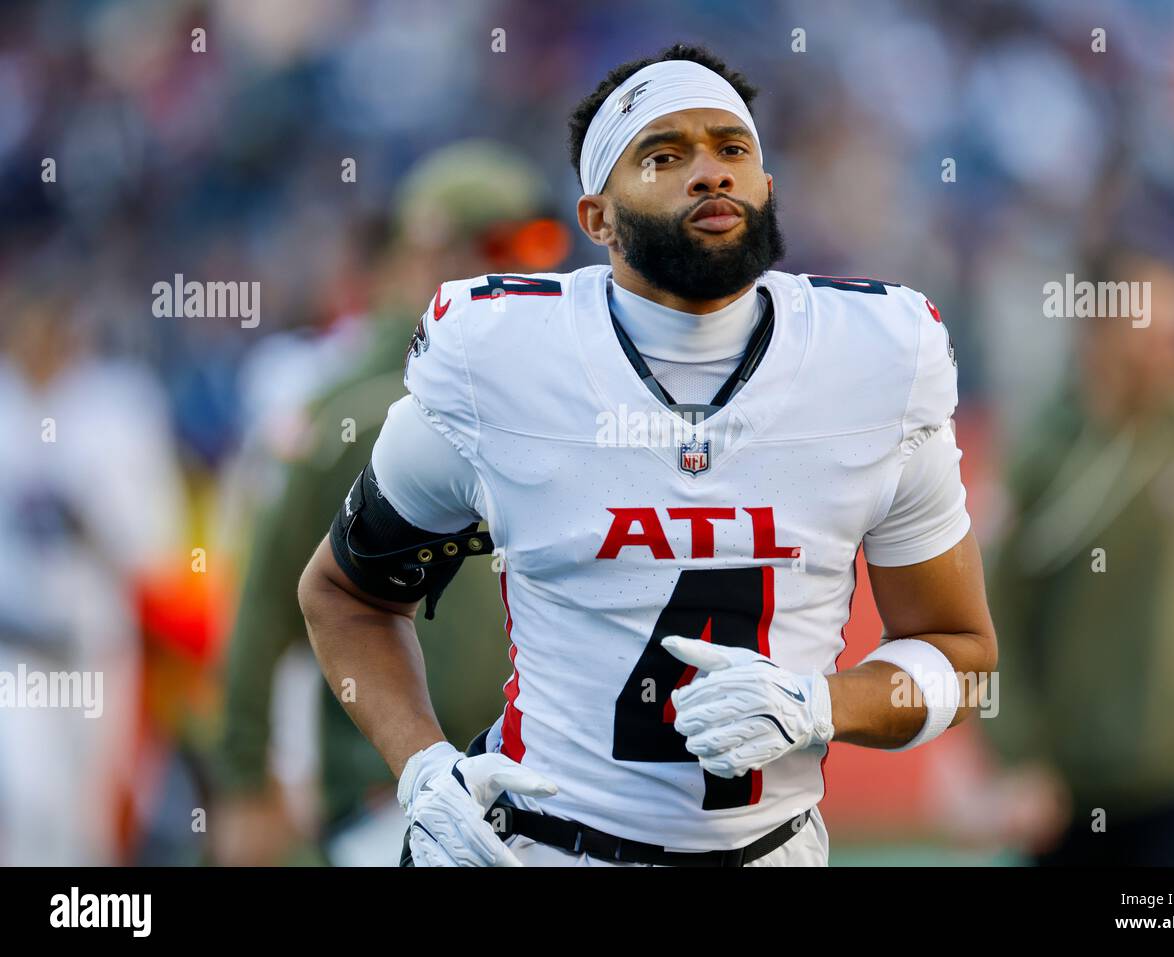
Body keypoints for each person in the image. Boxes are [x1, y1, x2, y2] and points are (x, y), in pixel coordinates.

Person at [298, 43, 997, 867]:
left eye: (732, 148)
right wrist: (421, 763)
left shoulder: (878, 359)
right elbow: (345, 593)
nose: (710, 173)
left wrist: (820, 704)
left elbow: (964, 656)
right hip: (542, 851)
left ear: (767, 186)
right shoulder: (503, 357)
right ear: (596, 217)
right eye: (665, 156)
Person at [212, 141, 570, 866]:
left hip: (542, 793)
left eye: (539, 248)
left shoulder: (561, 402)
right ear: (425, 256)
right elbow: (263, 601)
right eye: (501, 248)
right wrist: (245, 779)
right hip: (393, 792)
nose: (531, 272)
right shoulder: (344, 410)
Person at [984, 251, 1174, 865]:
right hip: (1068, 791)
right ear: (1102, 330)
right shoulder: (1044, 454)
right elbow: (997, 619)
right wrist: (1019, 757)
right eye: (1158, 331)